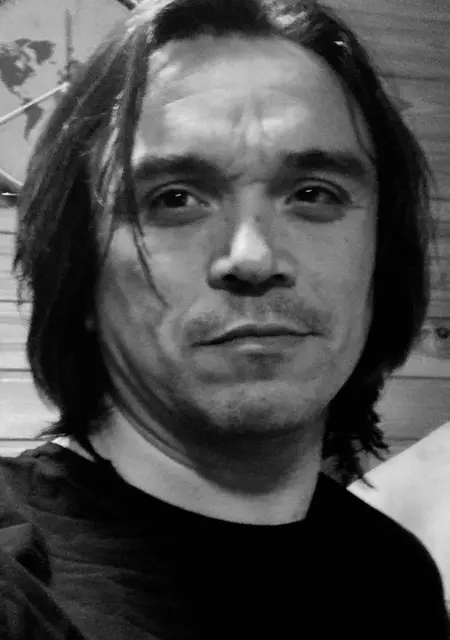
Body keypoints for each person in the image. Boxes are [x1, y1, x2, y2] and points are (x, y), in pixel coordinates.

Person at [2, 0, 448, 637]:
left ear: (382, 257)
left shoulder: (396, 576)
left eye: (313, 193)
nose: (253, 256)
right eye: (174, 199)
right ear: (78, 272)